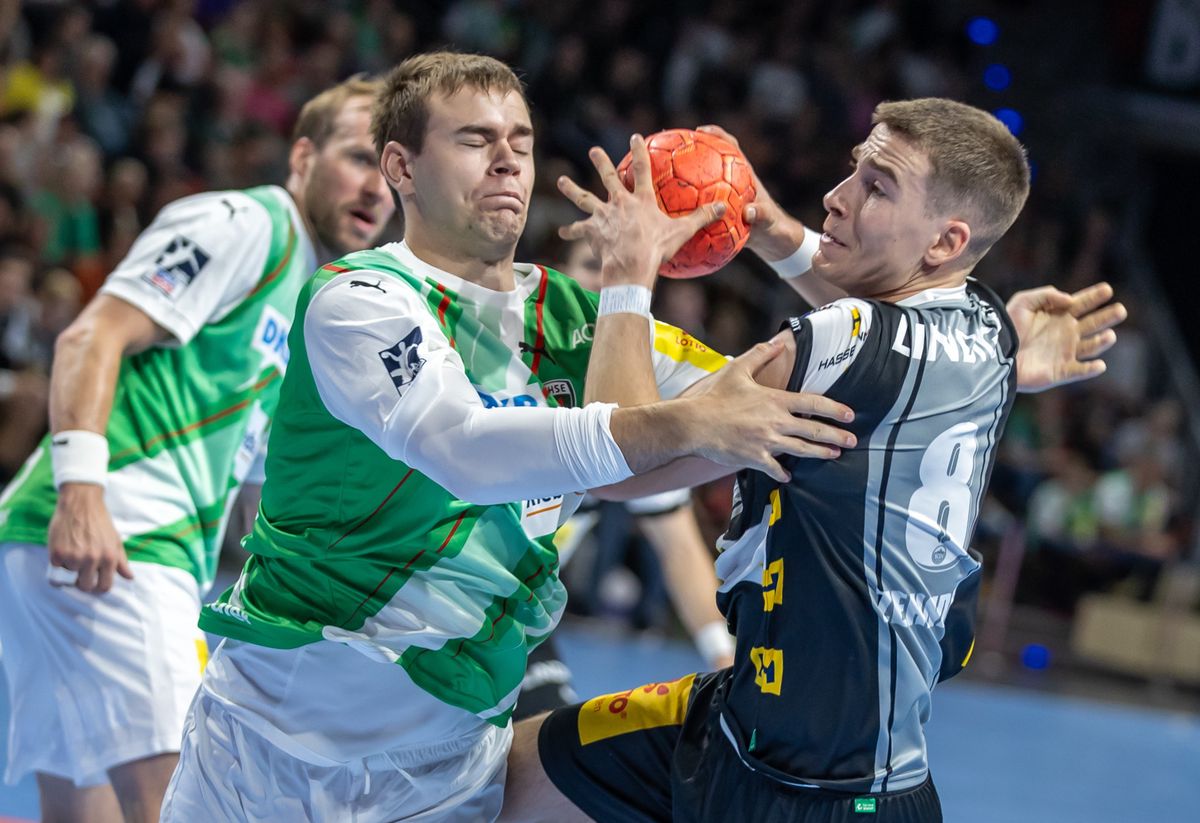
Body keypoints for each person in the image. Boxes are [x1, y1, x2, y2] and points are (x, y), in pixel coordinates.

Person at [160, 52, 856, 823]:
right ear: (402, 166)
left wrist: (776, 235)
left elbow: (845, 361)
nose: (507, 163)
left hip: (451, 754)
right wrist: (681, 408)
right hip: (273, 738)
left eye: (520, 143)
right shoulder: (359, 297)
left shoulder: (580, 322)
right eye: (473, 140)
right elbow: (461, 448)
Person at [502, 99, 1126, 823]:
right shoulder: (989, 328)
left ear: (945, 240)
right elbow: (872, 320)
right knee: (508, 776)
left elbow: (614, 459)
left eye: (877, 186)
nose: (837, 195)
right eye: (854, 166)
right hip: (758, 726)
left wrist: (628, 272)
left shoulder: (843, 343)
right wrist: (764, 221)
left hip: (802, 794)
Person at [0, 76, 393, 823]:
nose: (376, 188)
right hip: (116, 536)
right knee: (190, 804)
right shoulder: (245, 223)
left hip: (68, 545)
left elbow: (251, 492)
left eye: (391, 171)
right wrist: (83, 494)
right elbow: (90, 336)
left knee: (79, 810)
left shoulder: (313, 293)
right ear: (302, 155)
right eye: (356, 158)